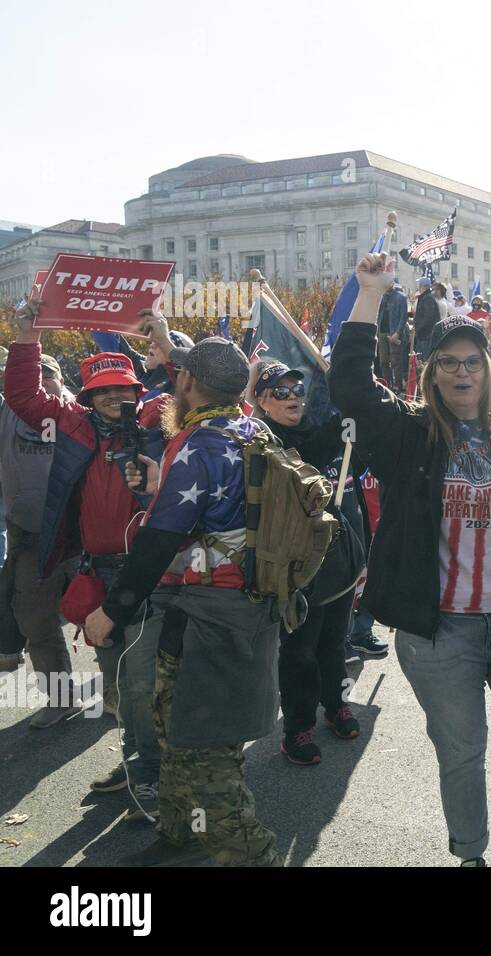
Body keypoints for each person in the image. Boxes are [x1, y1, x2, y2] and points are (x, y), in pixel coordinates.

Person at [330, 253, 491, 867]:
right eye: (449, 363)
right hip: (441, 631)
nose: (462, 372)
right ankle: (470, 853)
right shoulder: (408, 435)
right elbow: (350, 387)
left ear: (488, 370)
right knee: (462, 751)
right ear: (432, 373)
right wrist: (369, 295)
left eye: (473, 362)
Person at [84, 336, 285, 867]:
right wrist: (160, 488)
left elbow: (158, 540)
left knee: (204, 746)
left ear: (187, 383)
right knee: (174, 726)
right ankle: (180, 836)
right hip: (237, 607)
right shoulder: (250, 428)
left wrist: (113, 610)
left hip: (211, 618)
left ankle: (252, 855)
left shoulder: (198, 443)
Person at [6, 302, 168, 824]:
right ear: (88, 398)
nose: (117, 398)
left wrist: (162, 337)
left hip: (154, 573)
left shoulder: (155, 421)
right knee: (117, 680)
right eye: (105, 391)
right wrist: (27, 336)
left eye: (124, 389)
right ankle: (135, 763)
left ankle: (155, 778)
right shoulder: (77, 427)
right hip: (98, 573)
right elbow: (26, 398)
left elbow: (192, 391)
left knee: (145, 685)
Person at [249, 360, 366, 764]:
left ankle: (335, 704)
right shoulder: (266, 442)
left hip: (338, 564)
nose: (293, 397)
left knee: (335, 641)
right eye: (280, 392)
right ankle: (298, 728)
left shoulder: (317, 428)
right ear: (262, 403)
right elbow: (309, 458)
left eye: (297, 389)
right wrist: (350, 399)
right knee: (300, 650)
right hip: (297, 567)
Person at [0, 353, 75, 689]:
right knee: (35, 619)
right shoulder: (5, 412)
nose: (39, 385)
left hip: (81, 534)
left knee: (101, 614)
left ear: (61, 379)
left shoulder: (80, 413)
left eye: (46, 376)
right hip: (29, 535)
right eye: (31, 379)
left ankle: (118, 694)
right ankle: (60, 697)